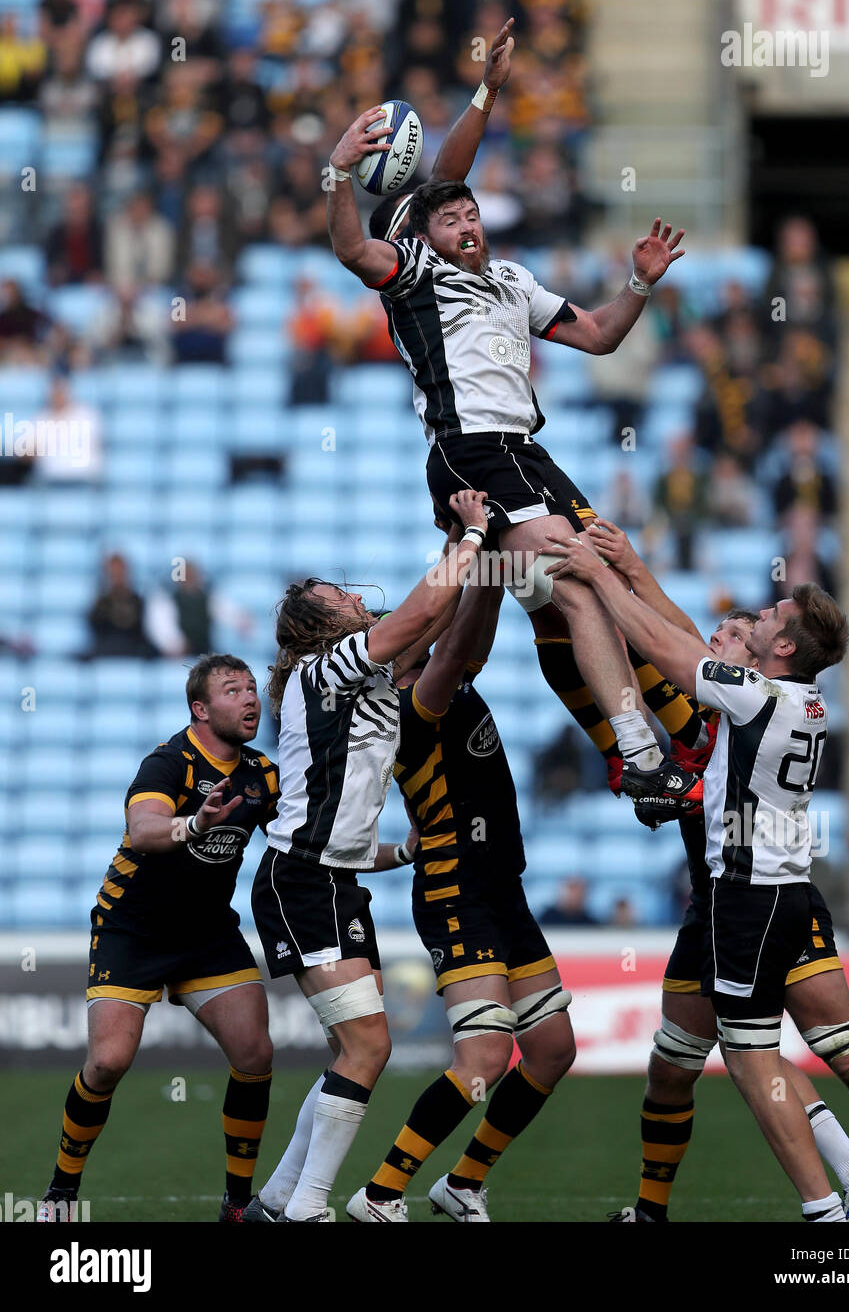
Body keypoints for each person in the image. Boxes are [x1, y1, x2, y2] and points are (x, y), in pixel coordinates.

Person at [563, 523, 849, 1222]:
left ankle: (828, 1212)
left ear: (775, 649)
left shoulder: (752, 700)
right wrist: (629, 566)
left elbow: (666, 647)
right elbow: (686, 641)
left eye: (765, 620)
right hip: (760, 899)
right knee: (738, 1059)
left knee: (752, 1064)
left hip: (746, 902)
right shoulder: (796, 700)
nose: (747, 619)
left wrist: (597, 576)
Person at [327, 104, 696, 816]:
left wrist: (640, 284)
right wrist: (338, 169)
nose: (466, 225)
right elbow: (351, 248)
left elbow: (596, 337)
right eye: (448, 219)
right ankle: (650, 751)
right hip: (472, 453)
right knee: (573, 576)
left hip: (526, 452)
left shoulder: (513, 280)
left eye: (471, 215)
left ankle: (646, 757)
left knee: (585, 583)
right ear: (419, 237)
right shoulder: (412, 274)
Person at [243, 490, 491, 1223]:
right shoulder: (328, 668)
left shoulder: (344, 676)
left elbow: (441, 629)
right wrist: (473, 537)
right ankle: (310, 1207)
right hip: (302, 882)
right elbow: (418, 617)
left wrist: (396, 852)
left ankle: (282, 1198)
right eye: (338, 596)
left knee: (353, 1051)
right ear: (319, 626)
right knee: (367, 1048)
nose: (356, 596)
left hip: (331, 882)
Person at [346, 561, 575, 1222]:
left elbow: (467, 641)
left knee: (553, 1050)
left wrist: (487, 574)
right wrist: (484, 562)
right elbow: (453, 647)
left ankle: (461, 1183)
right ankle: (381, 1193)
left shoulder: (444, 681)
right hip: (456, 893)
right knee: (482, 1057)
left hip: (501, 890)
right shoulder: (408, 710)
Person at [38, 656, 279, 1223]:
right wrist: (196, 823)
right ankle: (60, 1196)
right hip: (133, 928)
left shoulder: (263, 774)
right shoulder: (168, 763)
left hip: (206, 932)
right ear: (200, 709)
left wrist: (400, 853)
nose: (249, 699)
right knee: (107, 1064)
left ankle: (237, 1206)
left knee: (255, 1053)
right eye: (232, 690)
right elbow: (145, 830)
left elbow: (304, 845)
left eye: (251, 688)